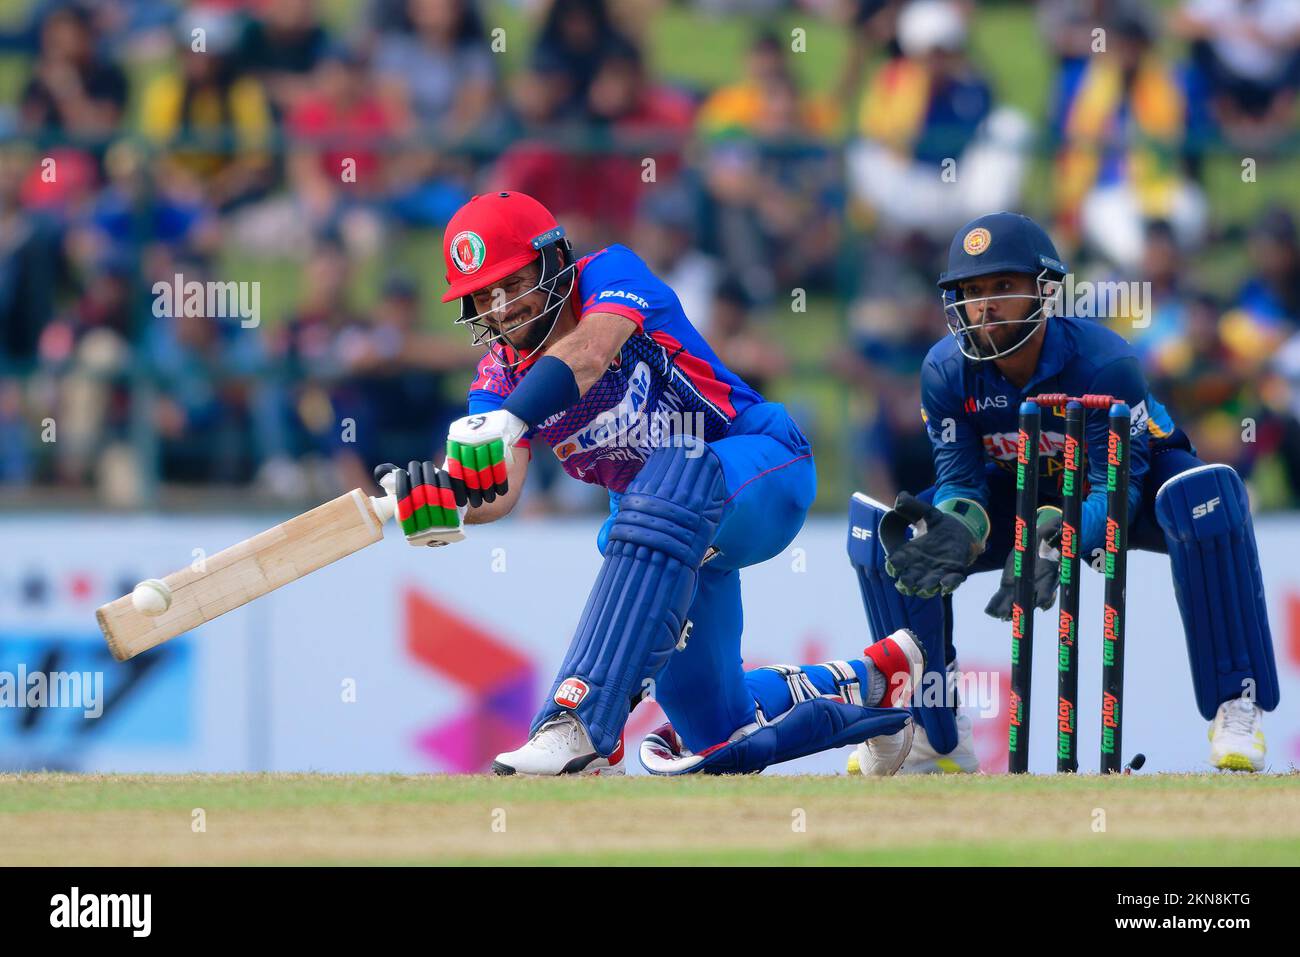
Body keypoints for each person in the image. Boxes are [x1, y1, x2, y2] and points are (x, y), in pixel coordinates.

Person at [374, 190, 924, 776]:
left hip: (756, 465)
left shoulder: (609, 275)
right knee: (717, 728)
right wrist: (450, 501)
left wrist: (513, 418)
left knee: (667, 478)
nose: (501, 307)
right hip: (663, 539)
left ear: (554, 260)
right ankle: (876, 678)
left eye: (511, 283)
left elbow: (588, 353)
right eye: (483, 295)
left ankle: (578, 721)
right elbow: (501, 489)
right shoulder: (497, 378)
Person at [847, 212, 1279, 773]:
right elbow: (962, 482)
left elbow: (1115, 492)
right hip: (1021, 491)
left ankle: (1235, 707)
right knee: (902, 535)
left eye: (1003, 287)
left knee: (1207, 501)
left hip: (1134, 484)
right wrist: (961, 527)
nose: (985, 305)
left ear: (1045, 292)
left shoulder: (1104, 364)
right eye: (972, 292)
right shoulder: (945, 371)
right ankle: (934, 735)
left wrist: (1057, 539)